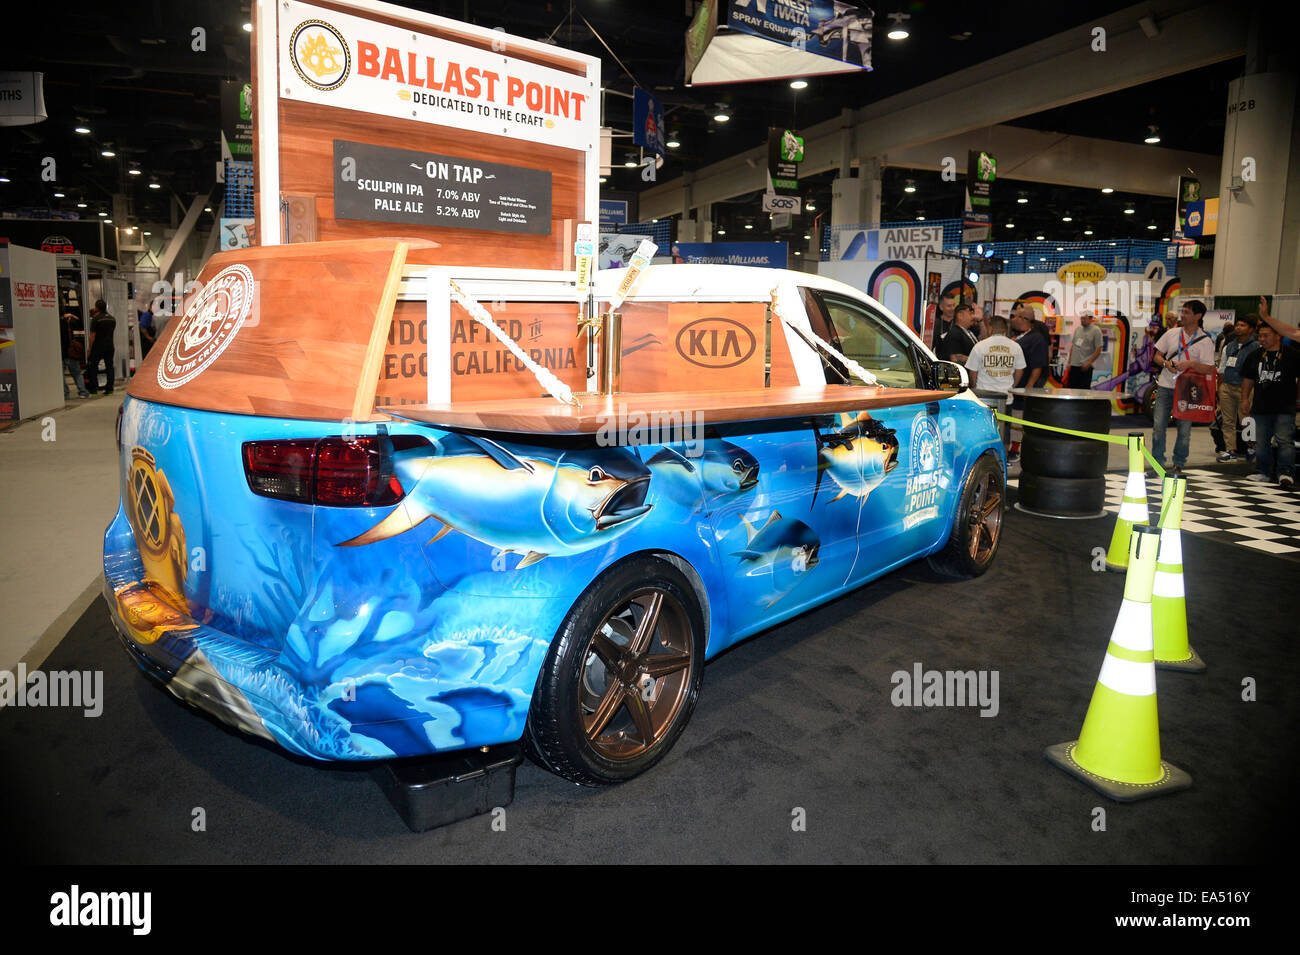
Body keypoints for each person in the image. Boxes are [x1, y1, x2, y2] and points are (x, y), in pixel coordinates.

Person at [1150, 300, 1215, 475]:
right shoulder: (1172, 333)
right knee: (1158, 426)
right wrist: (1165, 363)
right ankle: (1157, 463)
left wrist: (1191, 364)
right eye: (1182, 311)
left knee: (1184, 430)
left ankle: (1178, 463)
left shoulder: (1205, 341)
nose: (1182, 315)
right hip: (1165, 385)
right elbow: (1156, 356)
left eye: (1186, 312)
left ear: (1198, 316)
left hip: (1188, 389)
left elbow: (1209, 367)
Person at [1240, 321, 1299, 490]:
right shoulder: (1256, 355)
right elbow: (1248, 379)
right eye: (1260, 336)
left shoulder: (1292, 355)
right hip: (1260, 406)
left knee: (1284, 440)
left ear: (1278, 335)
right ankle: (1263, 472)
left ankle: (1285, 472)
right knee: (1261, 441)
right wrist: (1245, 399)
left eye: (1266, 335)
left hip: (1285, 406)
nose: (1262, 339)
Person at [965, 315, 1025, 445]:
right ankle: (1005, 461)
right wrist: (1012, 386)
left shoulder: (979, 346)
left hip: (985, 397)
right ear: (1004, 329)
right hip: (1006, 397)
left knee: (983, 430)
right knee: (1004, 431)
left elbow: (973, 372)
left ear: (990, 327)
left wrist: (975, 388)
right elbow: (1020, 370)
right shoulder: (1015, 347)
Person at [1005, 303, 1049, 464]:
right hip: (1015, 385)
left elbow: (1038, 366)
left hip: (1024, 387)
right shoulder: (1019, 336)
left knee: (1018, 417)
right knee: (1013, 417)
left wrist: (1028, 387)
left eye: (1015, 316)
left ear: (1024, 319)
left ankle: (1015, 450)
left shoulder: (1036, 339)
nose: (1013, 319)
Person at [1214, 313, 1259, 461]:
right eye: (1237, 325)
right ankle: (1230, 449)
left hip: (1245, 389)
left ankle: (1251, 447)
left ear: (1251, 329)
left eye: (1243, 325)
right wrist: (1219, 389)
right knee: (1228, 421)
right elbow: (1222, 367)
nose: (1238, 328)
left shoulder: (1256, 347)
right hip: (1227, 386)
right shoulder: (1229, 346)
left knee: (1246, 420)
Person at [1065, 310, 1103, 389]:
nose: (1082, 320)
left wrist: (1089, 362)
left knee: (1083, 391)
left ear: (1090, 319)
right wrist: (1069, 362)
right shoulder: (1078, 329)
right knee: (1071, 389)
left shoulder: (1096, 331)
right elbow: (1073, 346)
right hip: (1074, 365)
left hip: (1085, 367)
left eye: (1084, 319)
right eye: (1081, 318)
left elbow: (1099, 349)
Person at [86, 299, 117, 395]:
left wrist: (89, 349)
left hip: (98, 346)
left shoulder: (96, 319)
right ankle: (109, 389)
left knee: (93, 367)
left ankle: (94, 389)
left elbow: (92, 336)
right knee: (109, 367)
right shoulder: (112, 319)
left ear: (96, 308)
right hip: (110, 346)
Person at [60, 311, 90, 399]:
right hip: (72, 352)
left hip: (62, 353)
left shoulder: (57, 323)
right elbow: (79, 322)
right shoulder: (70, 322)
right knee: (77, 373)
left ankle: (65, 394)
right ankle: (83, 392)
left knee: (61, 375)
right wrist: (72, 315)